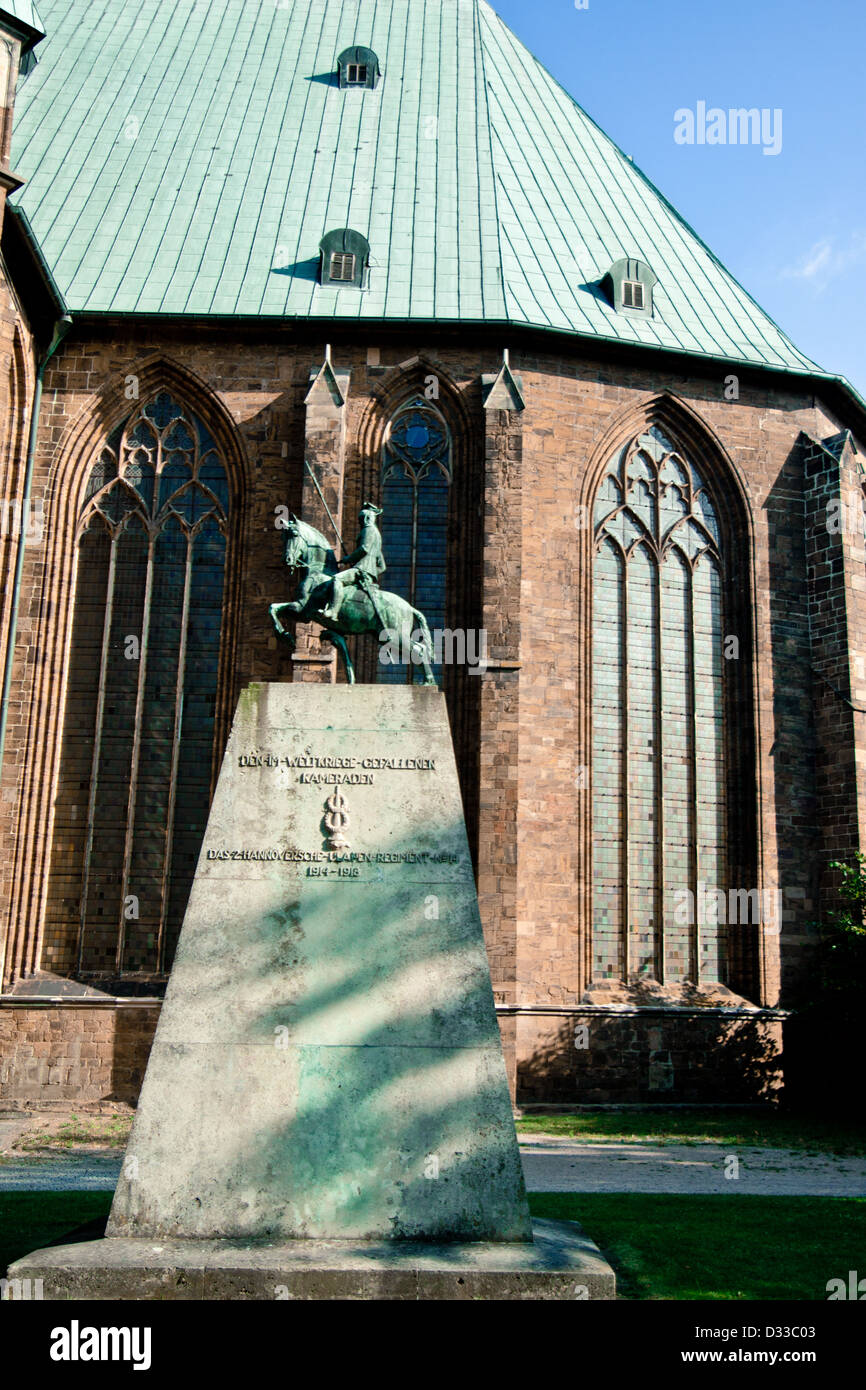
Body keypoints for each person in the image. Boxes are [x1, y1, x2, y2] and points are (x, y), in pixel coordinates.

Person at [321, 501, 386, 619]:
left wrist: (348, 559)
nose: (360, 523)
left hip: (361, 570)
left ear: (366, 518)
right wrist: (371, 574)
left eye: (361, 520)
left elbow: (364, 549)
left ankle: (333, 611)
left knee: (337, 580)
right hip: (365, 573)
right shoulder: (377, 537)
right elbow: (382, 566)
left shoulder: (369, 530)